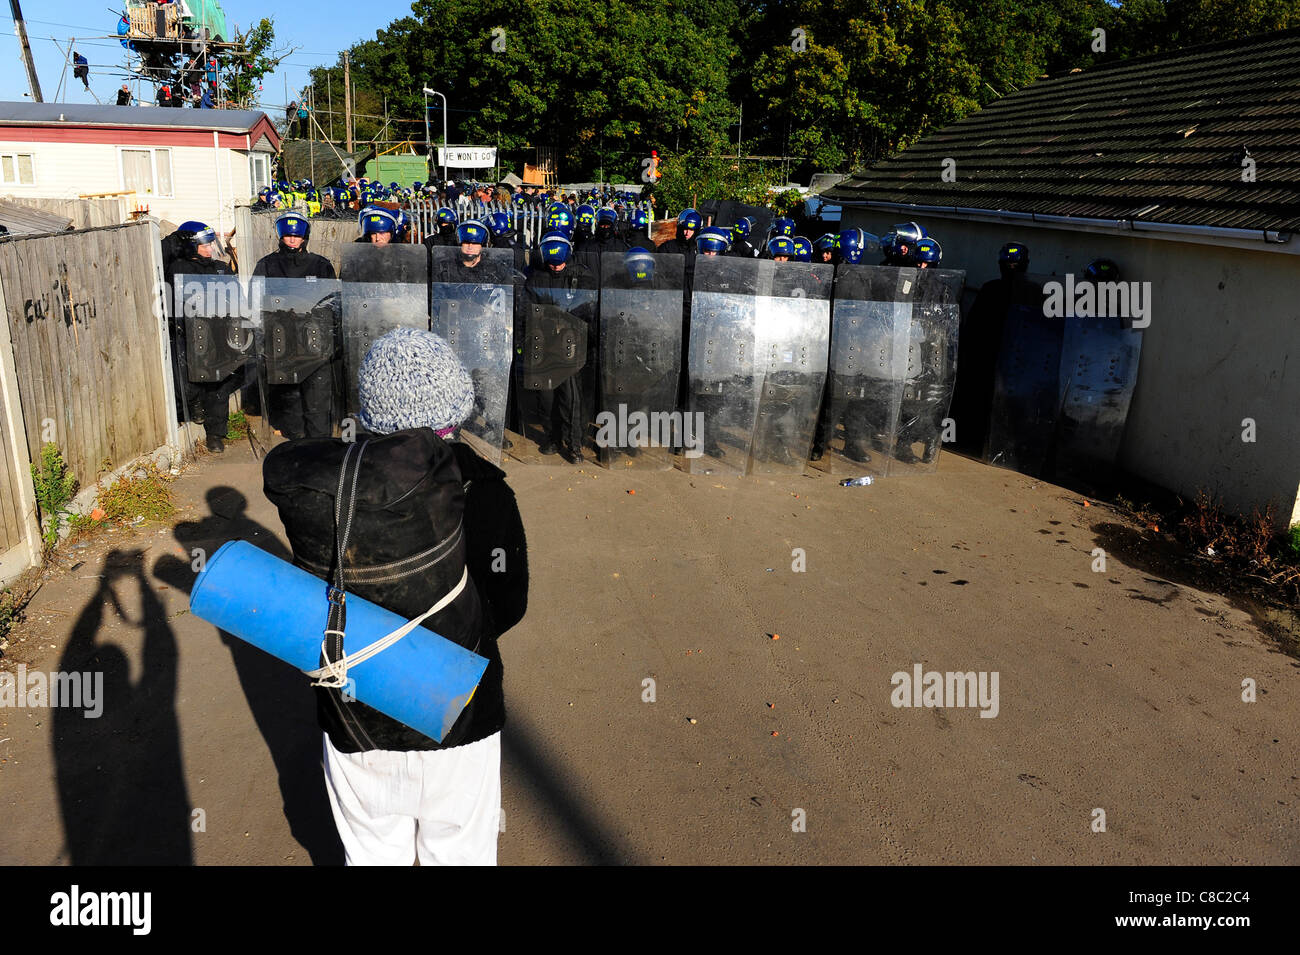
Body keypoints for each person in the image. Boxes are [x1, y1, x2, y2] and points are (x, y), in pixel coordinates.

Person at [262, 327, 528, 865]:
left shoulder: (330, 487)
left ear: (372, 411)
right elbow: (509, 602)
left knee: (372, 855)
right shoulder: (483, 487)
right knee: (458, 854)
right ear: (455, 402)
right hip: (457, 710)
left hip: (355, 711)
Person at [948, 241, 1043, 455]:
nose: (1011, 270)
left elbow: (1040, 330)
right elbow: (974, 326)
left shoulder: (1031, 292)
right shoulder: (994, 289)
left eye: (1013, 265)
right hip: (993, 358)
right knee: (982, 399)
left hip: (1013, 359)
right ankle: (979, 441)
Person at [253, 212, 339, 440]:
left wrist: (332, 337)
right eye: (288, 236)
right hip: (282, 341)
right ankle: (297, 443)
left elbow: (333, 301)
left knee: (318, 397)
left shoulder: (320, 265)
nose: (292, 240)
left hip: (315, 342)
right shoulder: (267, 264)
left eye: (296, 236)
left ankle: (320, 446)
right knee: (289, 398)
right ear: (281, 237)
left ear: (305, 238)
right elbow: (255, 300)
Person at [164, 223, 244, 453]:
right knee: (189, 384)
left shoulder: (220, 268)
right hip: (189, 334)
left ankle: (216, 435)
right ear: (191, 246)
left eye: (211, 243)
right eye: (204, 244)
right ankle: (193, 405)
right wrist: (176, 238)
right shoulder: (178, 268)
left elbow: (237, 299)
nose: (210, 248)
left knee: (218, 386)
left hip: (218, 334)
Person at [518, 231, 597, 462]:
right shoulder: (536, 278)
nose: (556, 267)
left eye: (560, 263)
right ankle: (552, 438)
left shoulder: (581, 275)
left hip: (571, 345)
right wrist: (523, 340)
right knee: (546, 398)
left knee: (570, 399)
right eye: (552, 263)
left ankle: (573, 445)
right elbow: (525, 310)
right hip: (543, 344)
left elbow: (588, 306)